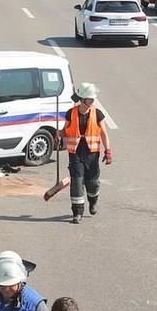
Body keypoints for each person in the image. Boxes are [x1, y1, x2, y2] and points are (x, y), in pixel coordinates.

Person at [61, 83, 112, 224]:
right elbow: (65, 130)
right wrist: (59, 135)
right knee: (77, 182)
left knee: (92, 182)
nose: (91, 102)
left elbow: (104, 133)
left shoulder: (97, 113)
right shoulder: (71, 113)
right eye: (89, 100)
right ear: (82, 99)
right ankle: (77, 213)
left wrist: (108, 151)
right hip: (76, 153)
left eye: (92, 100)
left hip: (92, 153)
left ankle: (93, 201)